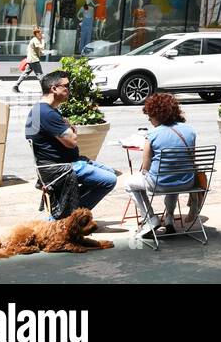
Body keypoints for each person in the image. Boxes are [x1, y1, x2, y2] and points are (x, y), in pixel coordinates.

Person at [26, 70, 118, 215]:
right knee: (109, 180)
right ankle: (69, 215)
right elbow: (72, 142)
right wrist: (71, 129)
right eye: (66, 86)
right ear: (54, 88)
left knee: (111, 172)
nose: (69, 89)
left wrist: (67, 128)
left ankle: (67, 206)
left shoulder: (40, 110)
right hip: (61, 167)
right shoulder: (47, 113)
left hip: (57, 164)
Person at [121, 93, 201, 238]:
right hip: (187, 183)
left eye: (150, 116)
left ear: (157, 115)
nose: (150, 120)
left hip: (160, 184)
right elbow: (191, 161)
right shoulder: (190, 131)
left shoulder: (152, 135)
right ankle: (169, 218)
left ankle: (151, 219)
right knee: (175, 171)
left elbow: (145, 168)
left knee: (129, 183)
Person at [13, 26, 46, 93]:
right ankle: (45, 90)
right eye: (40, 33)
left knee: (25, 74)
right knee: (40, 75)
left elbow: (32, 50)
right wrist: (43, 40)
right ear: (36, 34)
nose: (41, 34)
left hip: (30, 60)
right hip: (34, 60)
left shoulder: (33, 40)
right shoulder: (35, 40)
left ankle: (15, 86)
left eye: (41, 33)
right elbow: (41, 47)